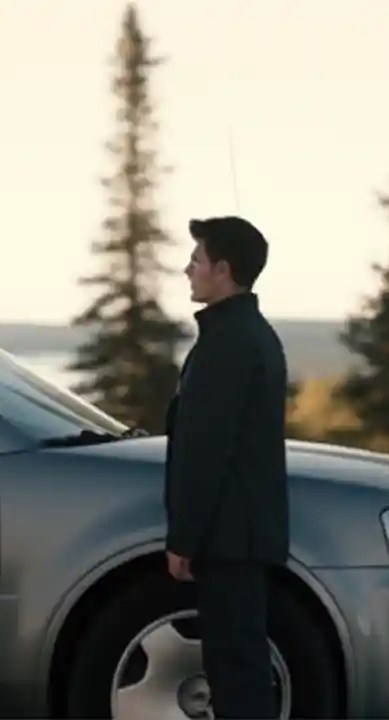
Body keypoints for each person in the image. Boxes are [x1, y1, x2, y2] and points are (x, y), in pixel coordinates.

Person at [163, 215, 289, 719]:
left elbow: (206, 450)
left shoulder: (229, 344)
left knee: (237, 670)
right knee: (241, 664)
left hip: (230, 538)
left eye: (196, 260)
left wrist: (184, 538)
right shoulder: (244, 335)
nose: (187, 269)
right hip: (241, 533)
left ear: (223, 269)